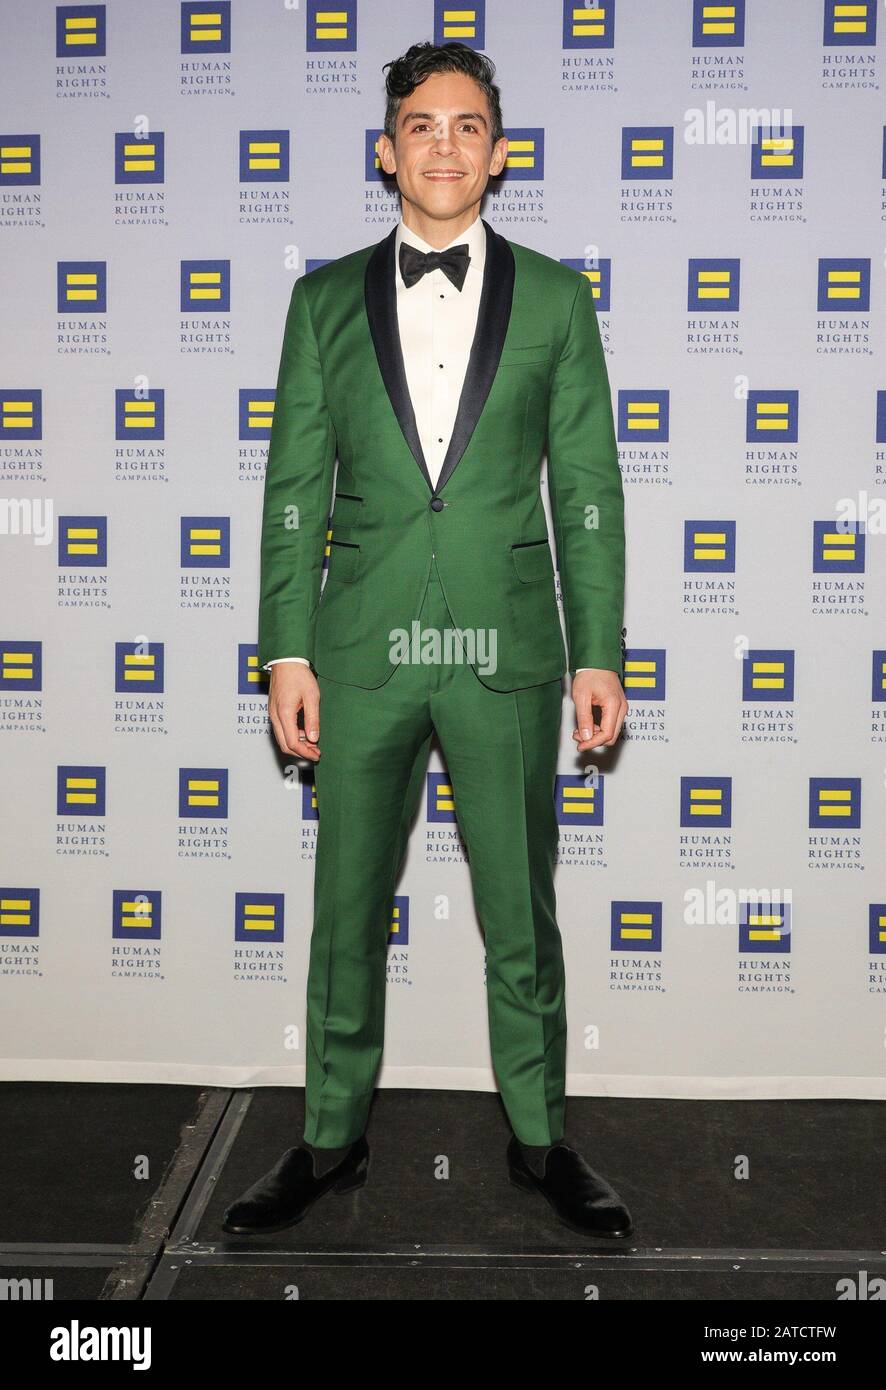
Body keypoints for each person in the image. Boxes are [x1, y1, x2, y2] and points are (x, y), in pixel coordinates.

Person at [223, 40, 631, 1241]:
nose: (442, 143)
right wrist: (283, 651)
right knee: (344, 911)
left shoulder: (557, 298)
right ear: (386, 148)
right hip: (357, 655)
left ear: (497, 153)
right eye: (420, 123)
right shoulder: (319, 301)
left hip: (508, 654)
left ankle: (544, 1139)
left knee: (523, 911)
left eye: (465, 125)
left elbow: (590, 488)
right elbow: (293, 487)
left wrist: (598, 649)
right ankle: (329, 1140)